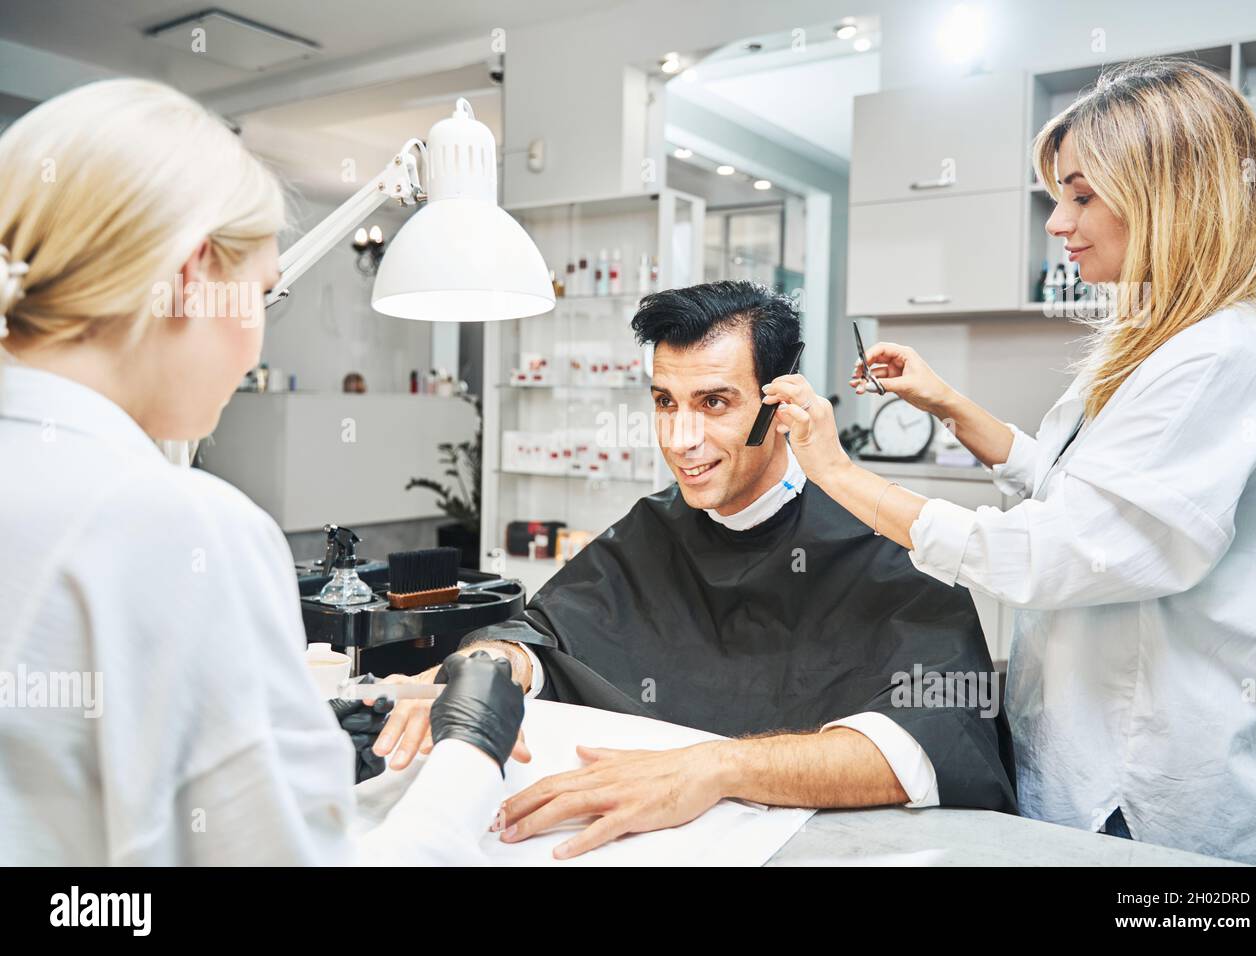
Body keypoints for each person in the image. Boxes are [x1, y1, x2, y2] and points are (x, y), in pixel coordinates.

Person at [761, 60, 1256, 866]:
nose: (1057, 222)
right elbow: (1077, 488)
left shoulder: (1221, 357)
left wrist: (840, 475)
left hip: (1148, 786)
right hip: (1088, 751)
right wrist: (951, 406)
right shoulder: (1164, 340)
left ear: (1172, 197)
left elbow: (1053, 554)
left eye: (1081, 195)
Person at [0, 78, 525, 865]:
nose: (253, 347)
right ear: (191, 274)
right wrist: (473, 750)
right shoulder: (174, 524)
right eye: (263, 296)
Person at [376, 280, 1016, 860]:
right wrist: (490, 666)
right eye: (664, 401)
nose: (680, 440)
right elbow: (548, 636)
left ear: (780, 404)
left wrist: (712, 769)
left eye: (714, 403)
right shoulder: (653, 530)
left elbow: (933, 736)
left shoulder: (882, 540)